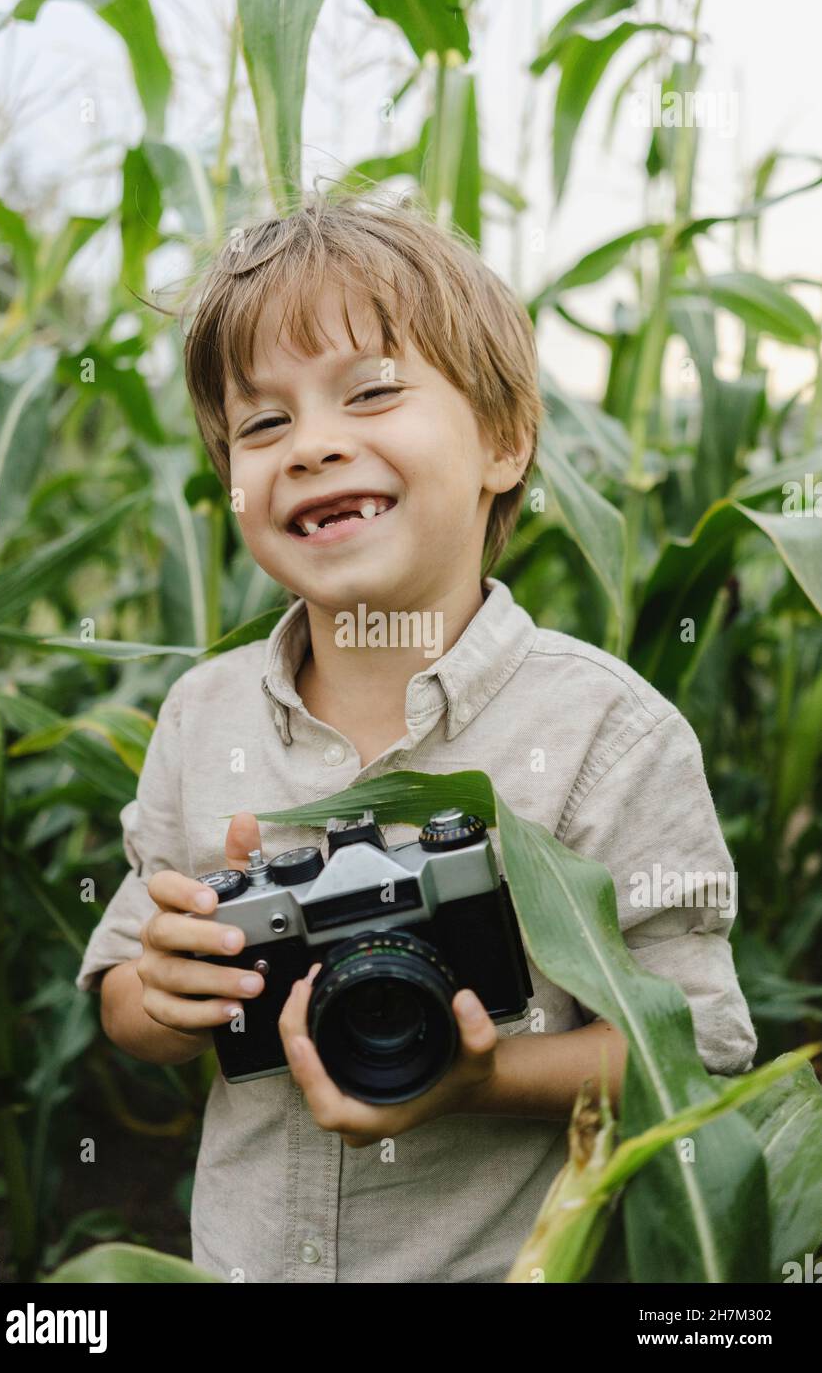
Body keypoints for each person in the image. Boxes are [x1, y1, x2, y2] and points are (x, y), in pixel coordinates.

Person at [76, 193, 757, 1283]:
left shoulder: (607, 734)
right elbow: (120, 983)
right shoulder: (202, 716)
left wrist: (481, 1079)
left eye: (372, 392)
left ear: (503, 439)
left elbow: (699, 1051)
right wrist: (161, 993)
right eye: (262, 424)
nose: (311, 446)